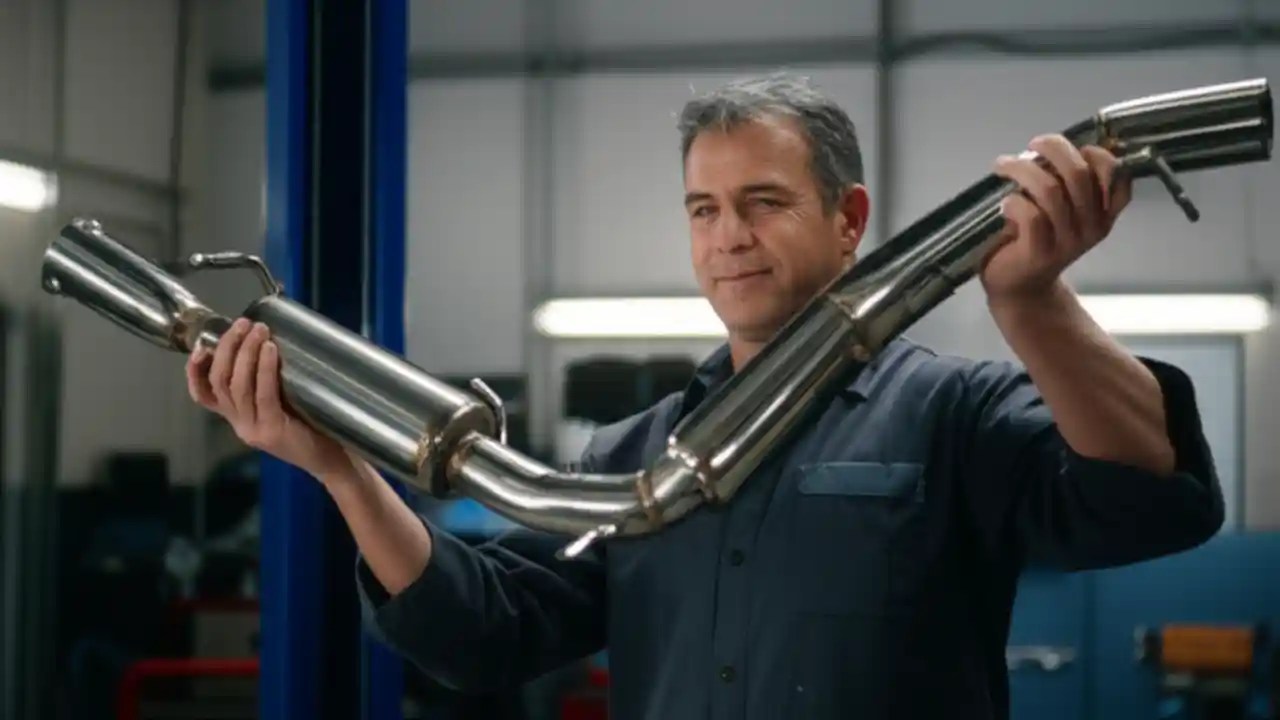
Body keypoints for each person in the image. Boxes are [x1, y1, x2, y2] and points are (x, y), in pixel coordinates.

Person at [185, 72, 1225, 719]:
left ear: (848, 215)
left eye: (761, 203)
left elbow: (1147, 497)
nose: (726, 236)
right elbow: (483, 633)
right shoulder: (631, 456)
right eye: (703, 209)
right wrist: (339, 467)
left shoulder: (952, 415)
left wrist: (1033, 301)